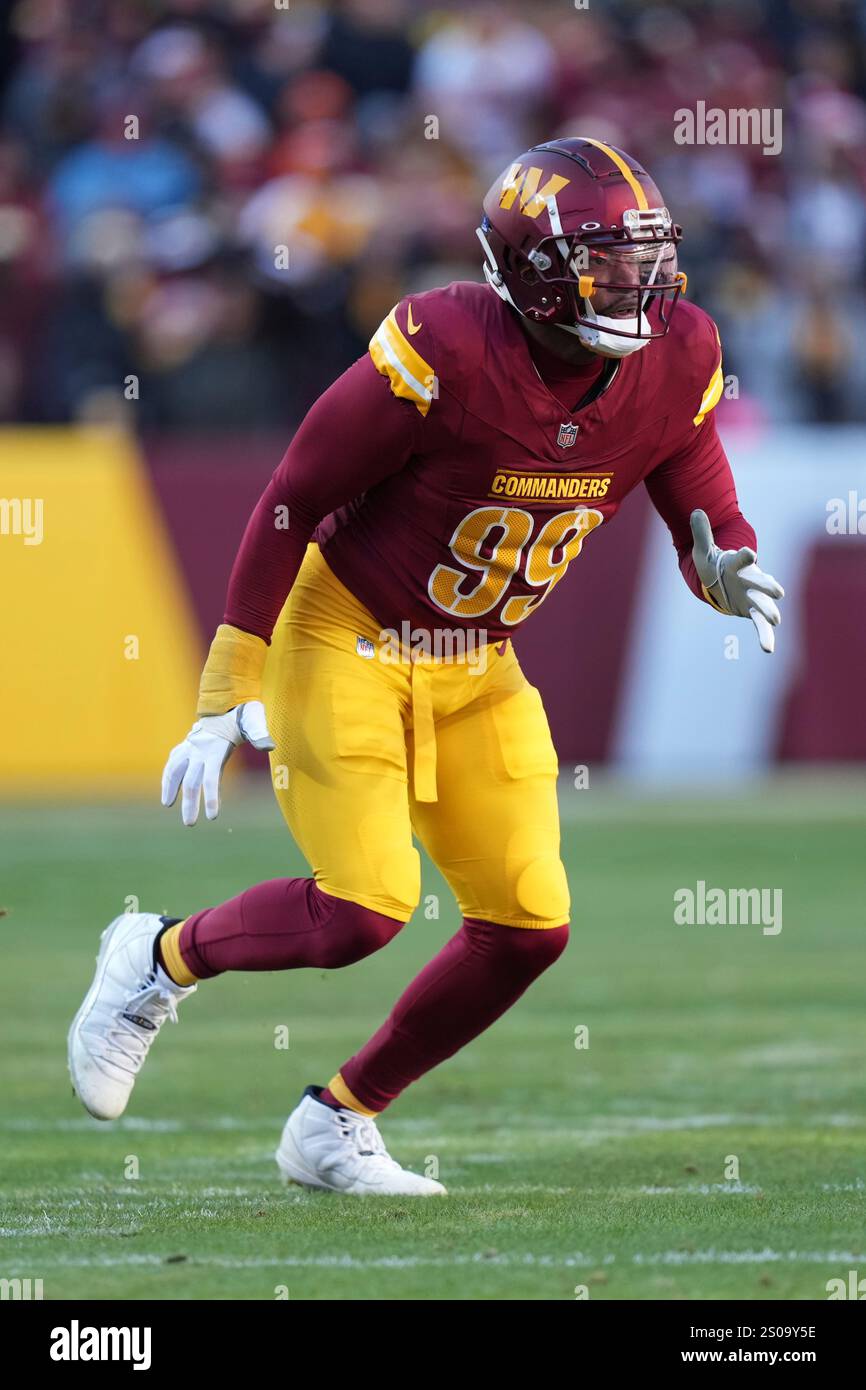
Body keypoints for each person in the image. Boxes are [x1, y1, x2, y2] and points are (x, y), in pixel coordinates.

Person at [68, 137, 784, 1196]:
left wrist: (718, 553)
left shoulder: (676, 349)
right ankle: (154, 958)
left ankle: (337, 1119)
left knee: (527, 925)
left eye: (645, 255)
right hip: (344, 631)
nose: (638, 281)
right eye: (604, 258)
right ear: (532, 273)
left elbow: (686, 472)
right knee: (361, 909)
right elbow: (290, 498)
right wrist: (228, 686)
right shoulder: (445, 345)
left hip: (475, 659)